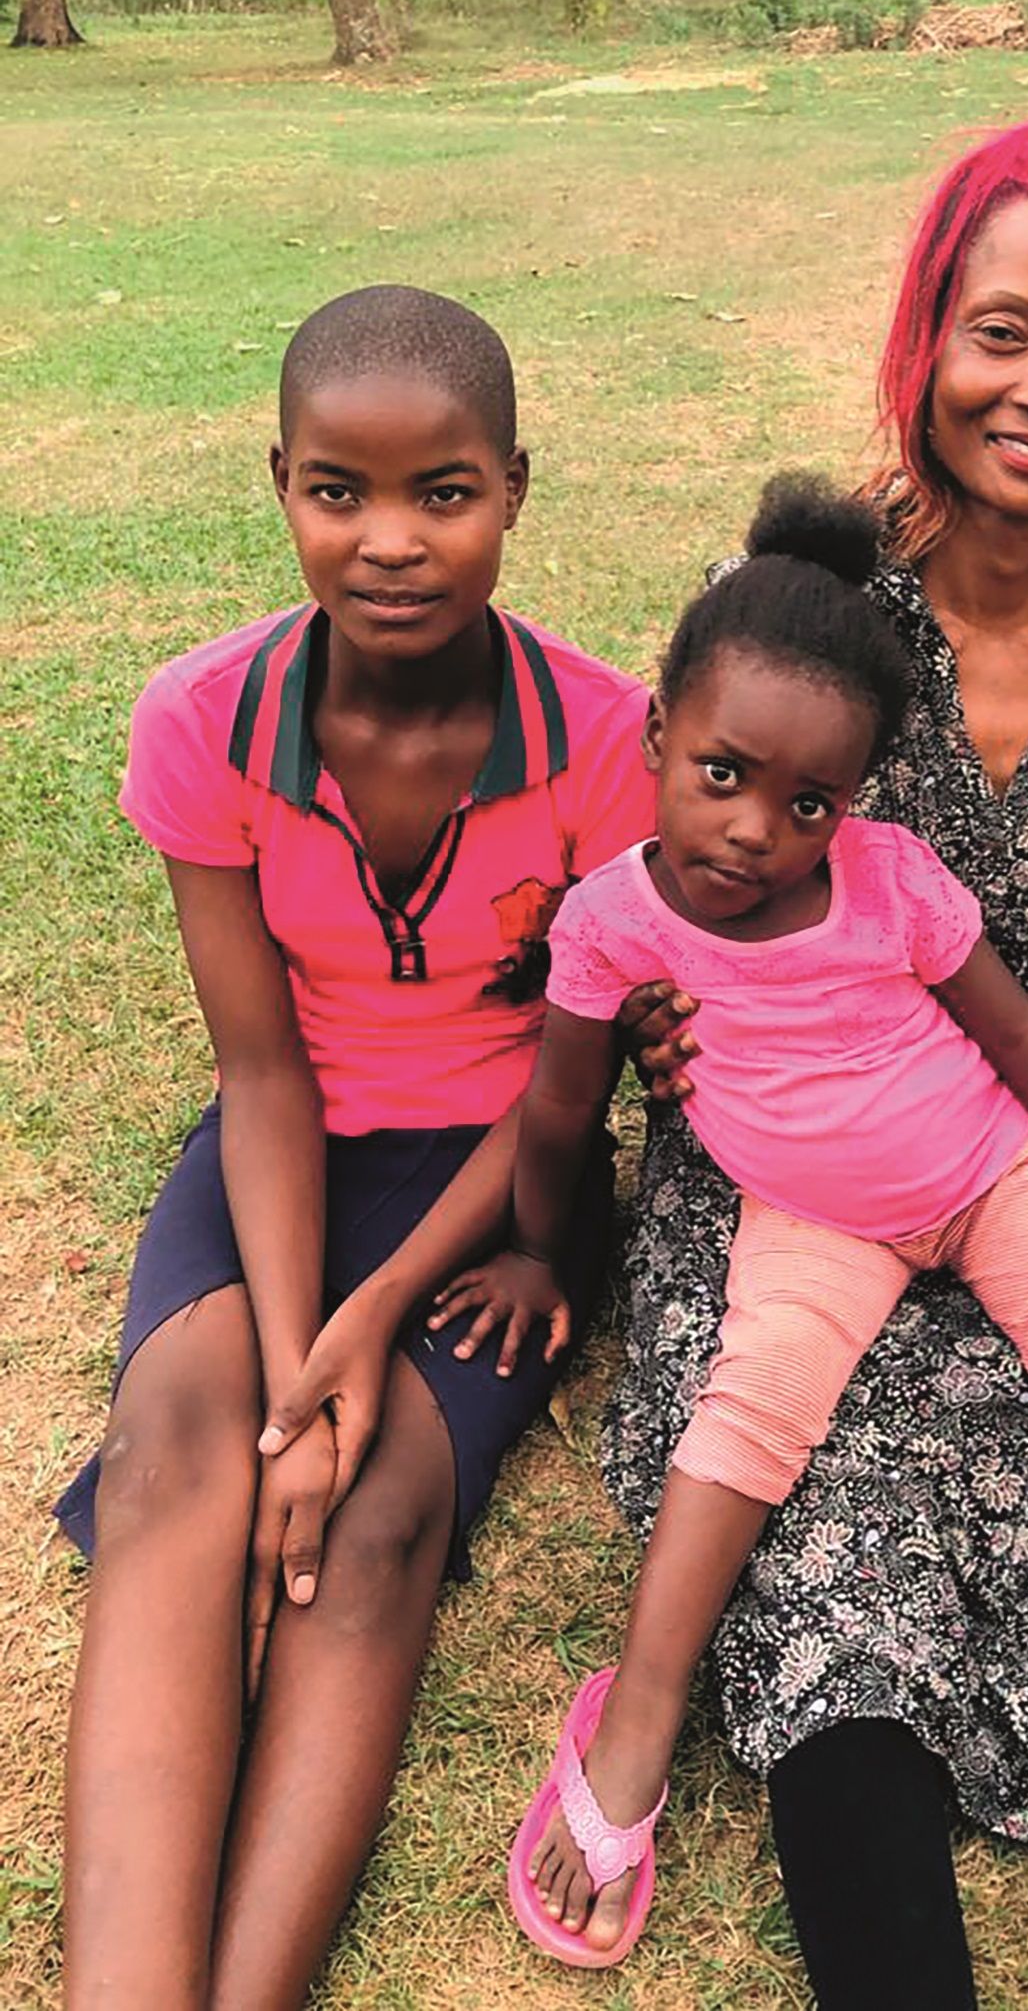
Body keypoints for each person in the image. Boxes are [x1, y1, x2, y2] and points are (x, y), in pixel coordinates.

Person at [597, 117, 1028, 2007]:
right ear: (927, 338)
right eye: (1004, 331)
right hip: (798, 1171)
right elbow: (670, 869)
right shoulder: (818, 615)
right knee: (820, 1544)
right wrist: (659, 1021)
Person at [428, 474, 1028, 1965]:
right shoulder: (609, 922)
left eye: (807, 800)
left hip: (987, 1174)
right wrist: (524, 1239)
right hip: (809, 1216)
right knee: (745, 1413)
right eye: (720, 775)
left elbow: (1020, 1036)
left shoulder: (889, 882)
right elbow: (563, 1108)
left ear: (859, 793)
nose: (755, 829)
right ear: (654, 738)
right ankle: (637, 1711)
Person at [54, 285, 654, 2011]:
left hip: (501, 1169)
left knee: (370, 1512)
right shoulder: (203, 721)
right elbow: (261, 1071)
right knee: (191, 1457)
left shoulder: (607, 745)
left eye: (441, 492)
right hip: (283, 1143)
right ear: (281, 485)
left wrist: (353, 1342)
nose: (388, 541)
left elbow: (566, 1091)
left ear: (516, 488)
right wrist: (283, 1370)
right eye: (339, 490)